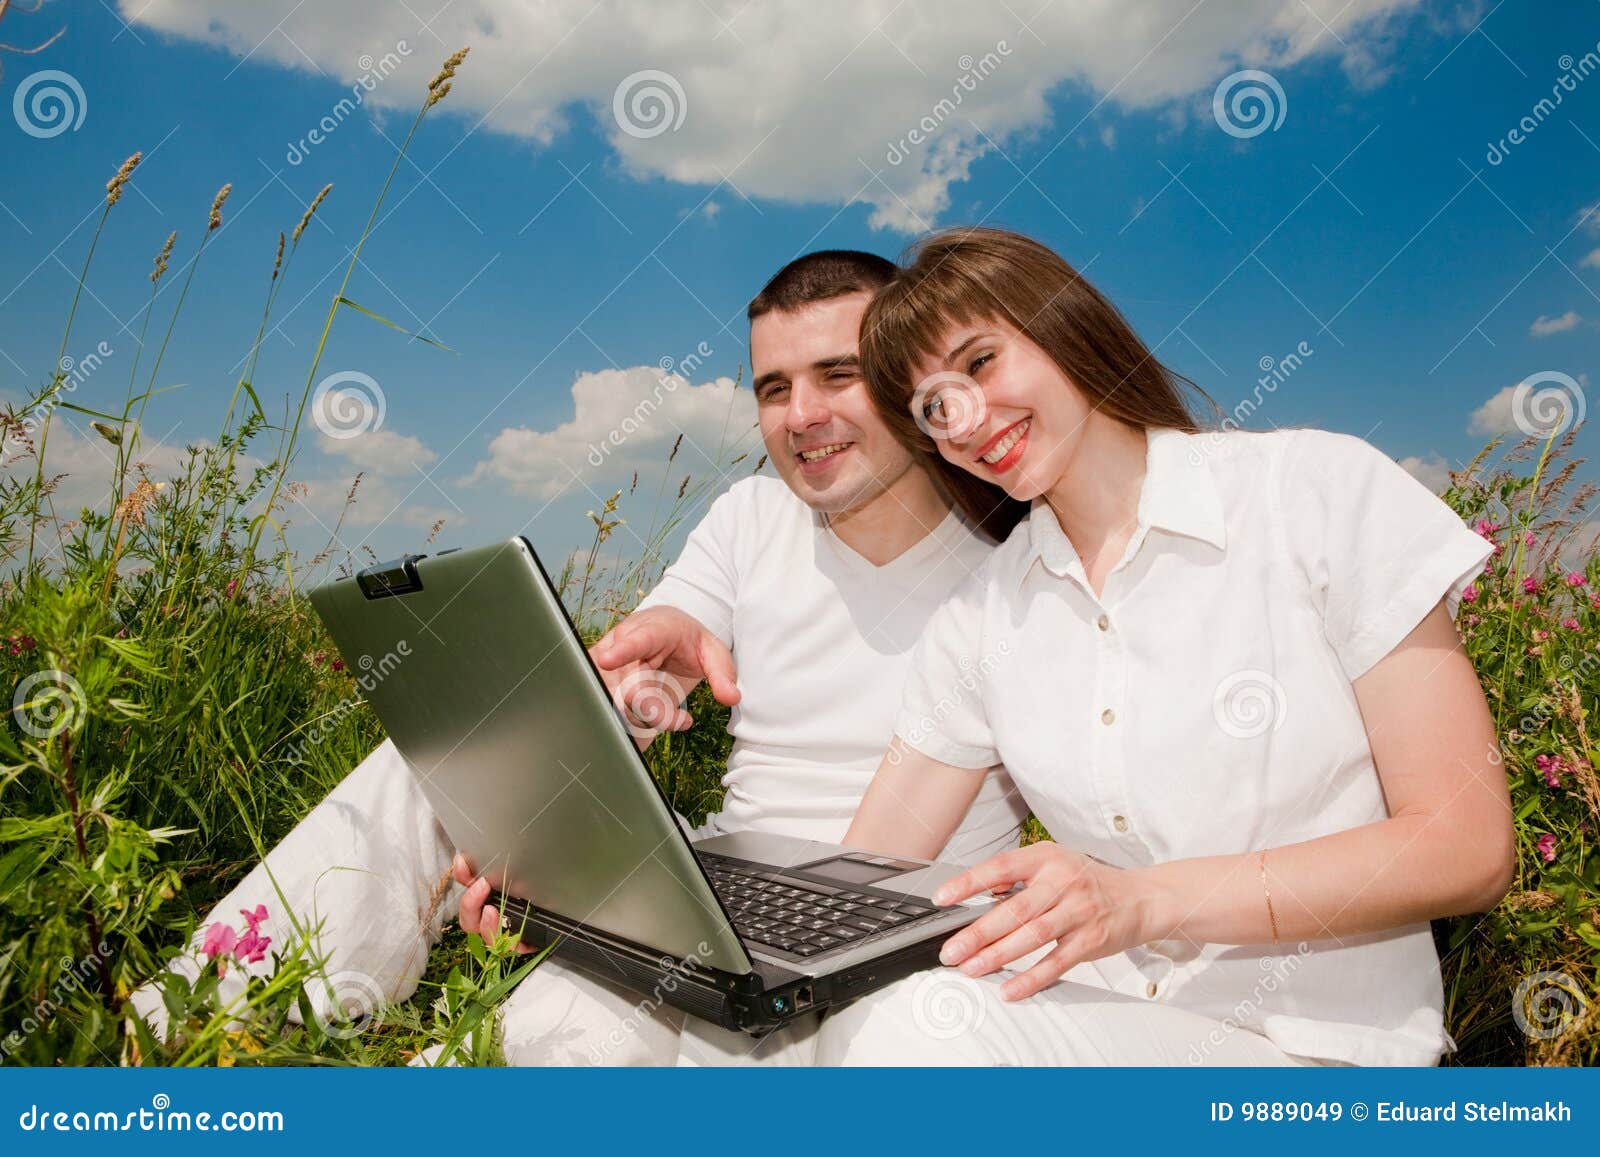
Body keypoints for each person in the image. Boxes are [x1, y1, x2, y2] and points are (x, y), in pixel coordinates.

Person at [134, 250, 1029, 1065]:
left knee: (566, 1055)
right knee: (457, 753)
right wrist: (569, 809)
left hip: (890, 936)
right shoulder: (752, 516)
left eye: (839, 374)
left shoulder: (1015, 562)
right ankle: (196, 1016)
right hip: (709, 890)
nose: (802, 416)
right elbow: (668, 632)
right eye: (772, 388)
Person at [822, 226, 1515, 1067]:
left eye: (980, 362)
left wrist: (1145, 901)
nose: (963, 418)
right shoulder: (980, 617)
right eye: (934, 408)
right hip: (1102, 1030)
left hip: (1316, 1053)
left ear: (1062, 323)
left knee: (913, 1023)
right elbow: (860, 881)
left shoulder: (1313, 491)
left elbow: (1465, 844)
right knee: (822, 1020)